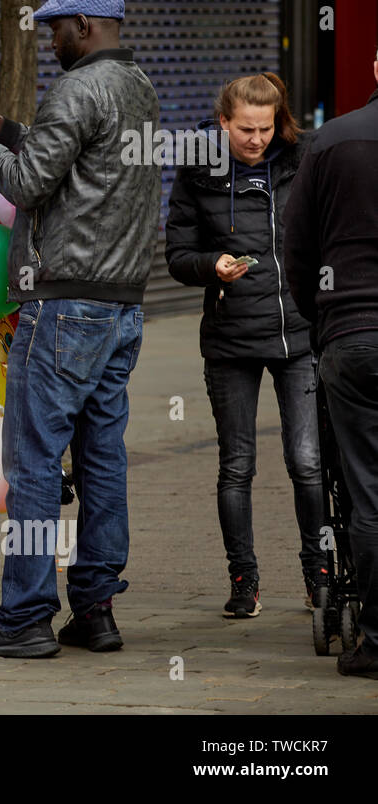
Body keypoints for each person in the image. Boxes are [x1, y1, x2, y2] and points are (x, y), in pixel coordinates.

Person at [0, 0, 160, 658]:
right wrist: (4, 127)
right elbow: (65, 158)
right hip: (121, 305)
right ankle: (95, 609)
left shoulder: (76, 88)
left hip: (65, 304)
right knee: (101, 459)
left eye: (58, 29)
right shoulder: (141, 89)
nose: (52, 39)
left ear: (86, 28)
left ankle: (26, 616)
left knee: (32, 462)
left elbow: (30, 182)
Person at [164, 73, 327, 619]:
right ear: (223, 124)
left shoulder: (304, 162)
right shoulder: (198, 174)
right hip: (231, 338)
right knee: (237, 465)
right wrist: (211, 265)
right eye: (245, 130)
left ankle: (319, 577)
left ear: (279, 122)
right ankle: (244, 581)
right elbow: (177, 254)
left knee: (307, 462)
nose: (256, 140)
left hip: (299, 334)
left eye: (266, 128)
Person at [284, 50, 378, 679]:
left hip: (352, 333)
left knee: (365, 489)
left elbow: (298, 251)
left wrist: (322, 318)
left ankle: (376, 635)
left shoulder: (330, 142)